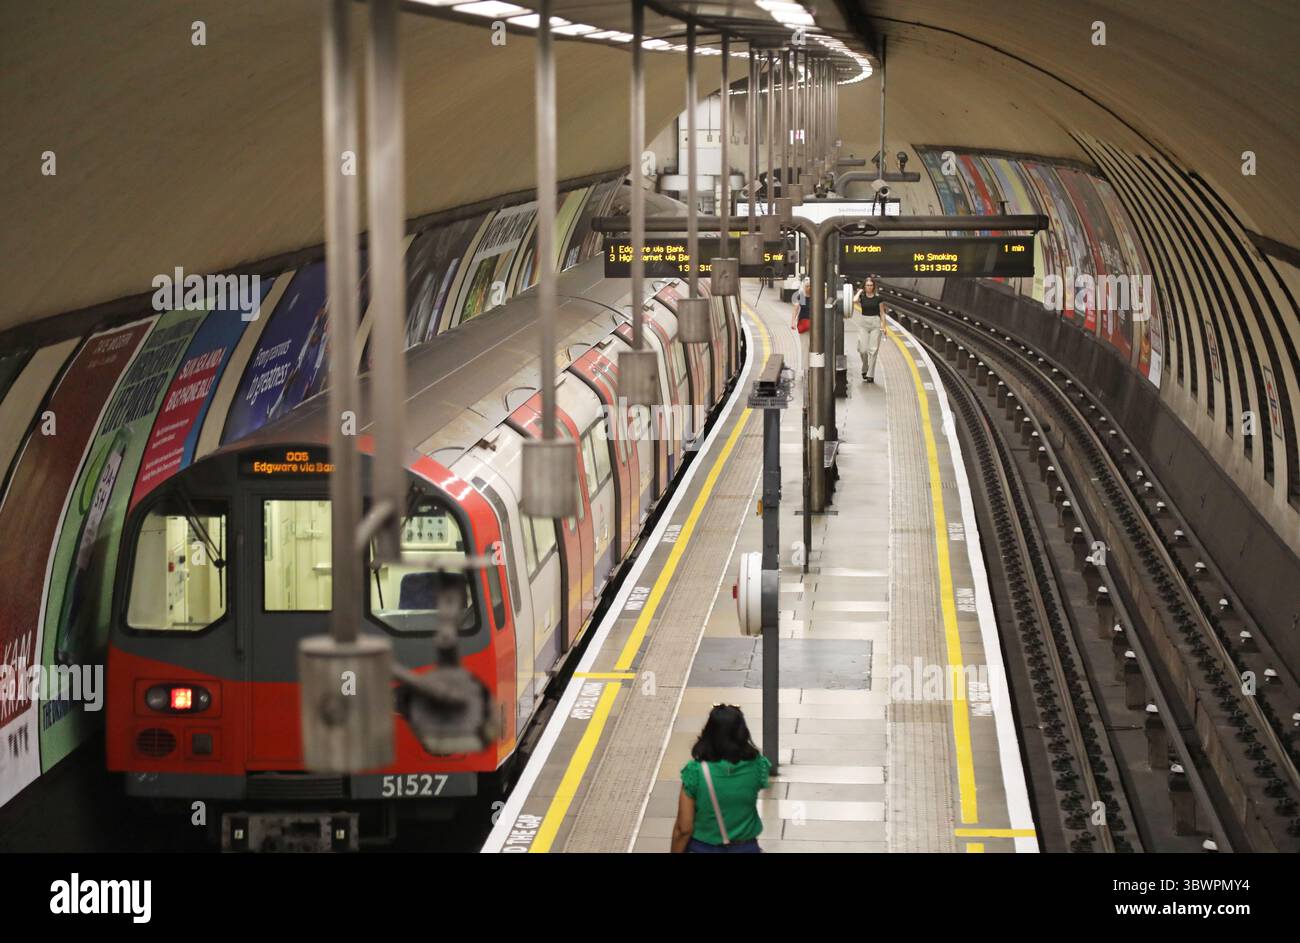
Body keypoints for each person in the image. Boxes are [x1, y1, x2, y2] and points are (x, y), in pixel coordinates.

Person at [671, 705, 771, 853]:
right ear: (742, 733)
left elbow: (684, 828)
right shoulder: (758, 766)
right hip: (745, 848)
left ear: (709, 733)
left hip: (702, 848)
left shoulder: (696, 771)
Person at [854, 276, 888, 382]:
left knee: (873, 350)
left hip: (875, 323)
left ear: (874, 286)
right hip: (863, 323)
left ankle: (870, 375)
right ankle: (865, 367)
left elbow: (882, 313)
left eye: (871, 285)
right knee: (862, 349)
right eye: (867, 285)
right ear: (864, 286)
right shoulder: (862, 297)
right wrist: (859, 292)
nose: (869, 287)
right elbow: (854, 300)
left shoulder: (878, 298)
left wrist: (884, 326)